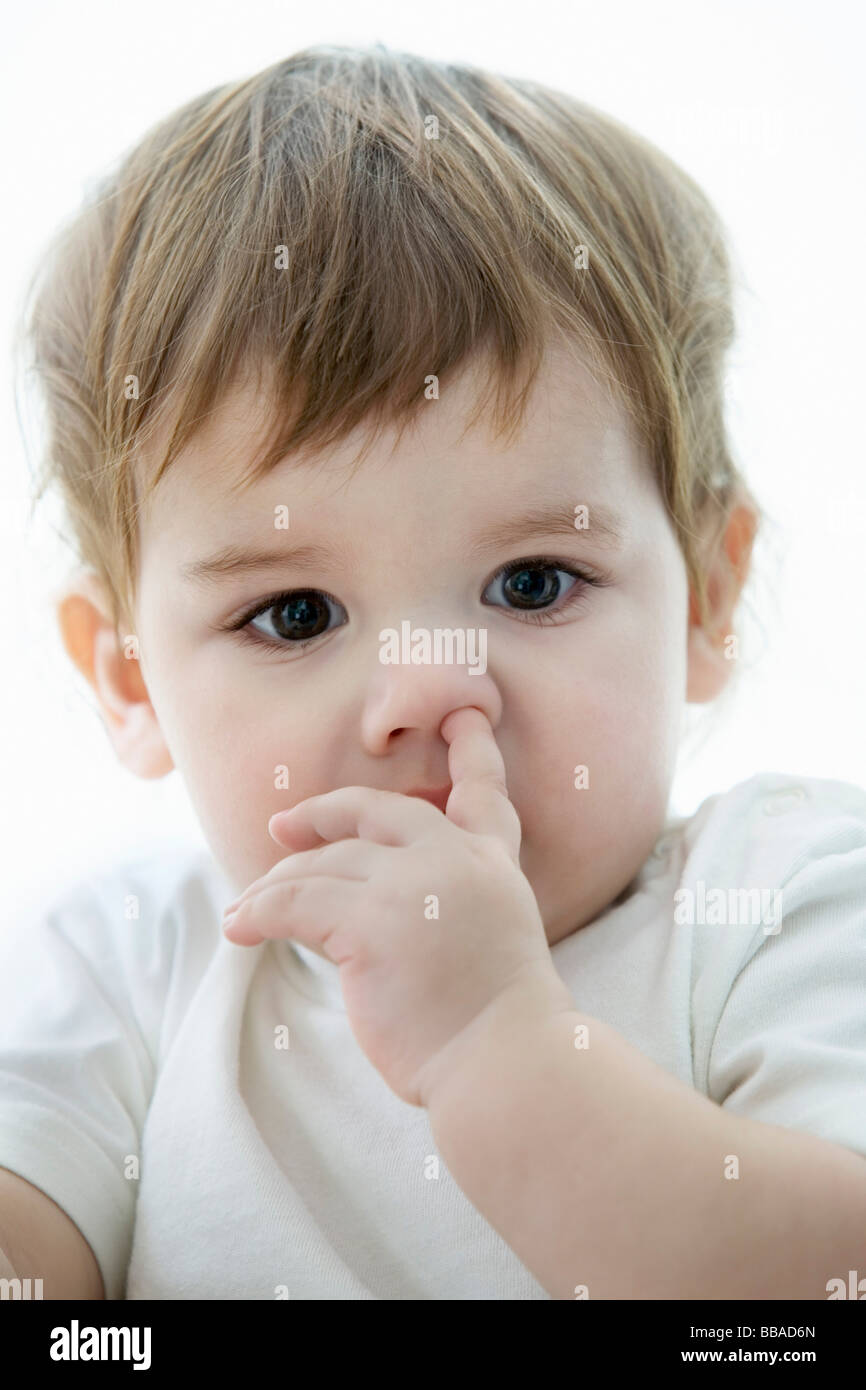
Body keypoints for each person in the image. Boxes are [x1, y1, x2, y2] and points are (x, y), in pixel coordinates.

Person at [3, 43, 865, 1301]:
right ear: (131, 679)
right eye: (294, 612)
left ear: (707, 595)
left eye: (532, 583)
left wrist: (492, 1043)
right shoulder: (135, 964)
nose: (424, 691)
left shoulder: (775, 903)